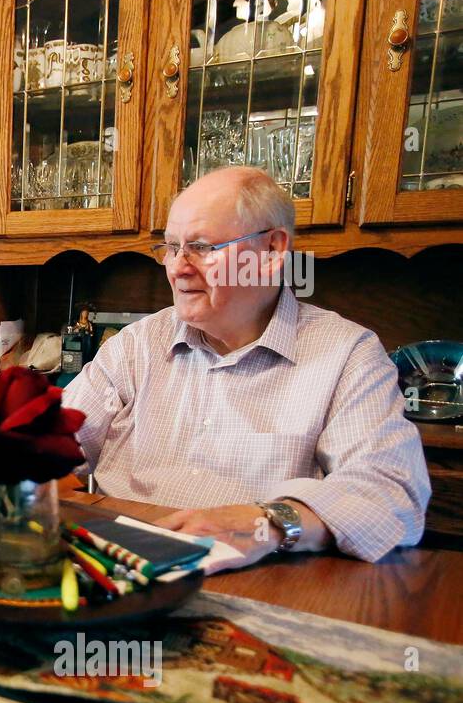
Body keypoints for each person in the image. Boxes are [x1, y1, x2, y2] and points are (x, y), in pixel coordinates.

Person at [62, 166, 430, 567]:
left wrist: (268, 522)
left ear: (272, 251)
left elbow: (392, 498)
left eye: (201, 246)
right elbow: (43, 448)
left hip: (265, 583)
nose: (178, 267)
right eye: (171, 247)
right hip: (121, 571)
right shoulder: (135, 345)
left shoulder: (347, 354)